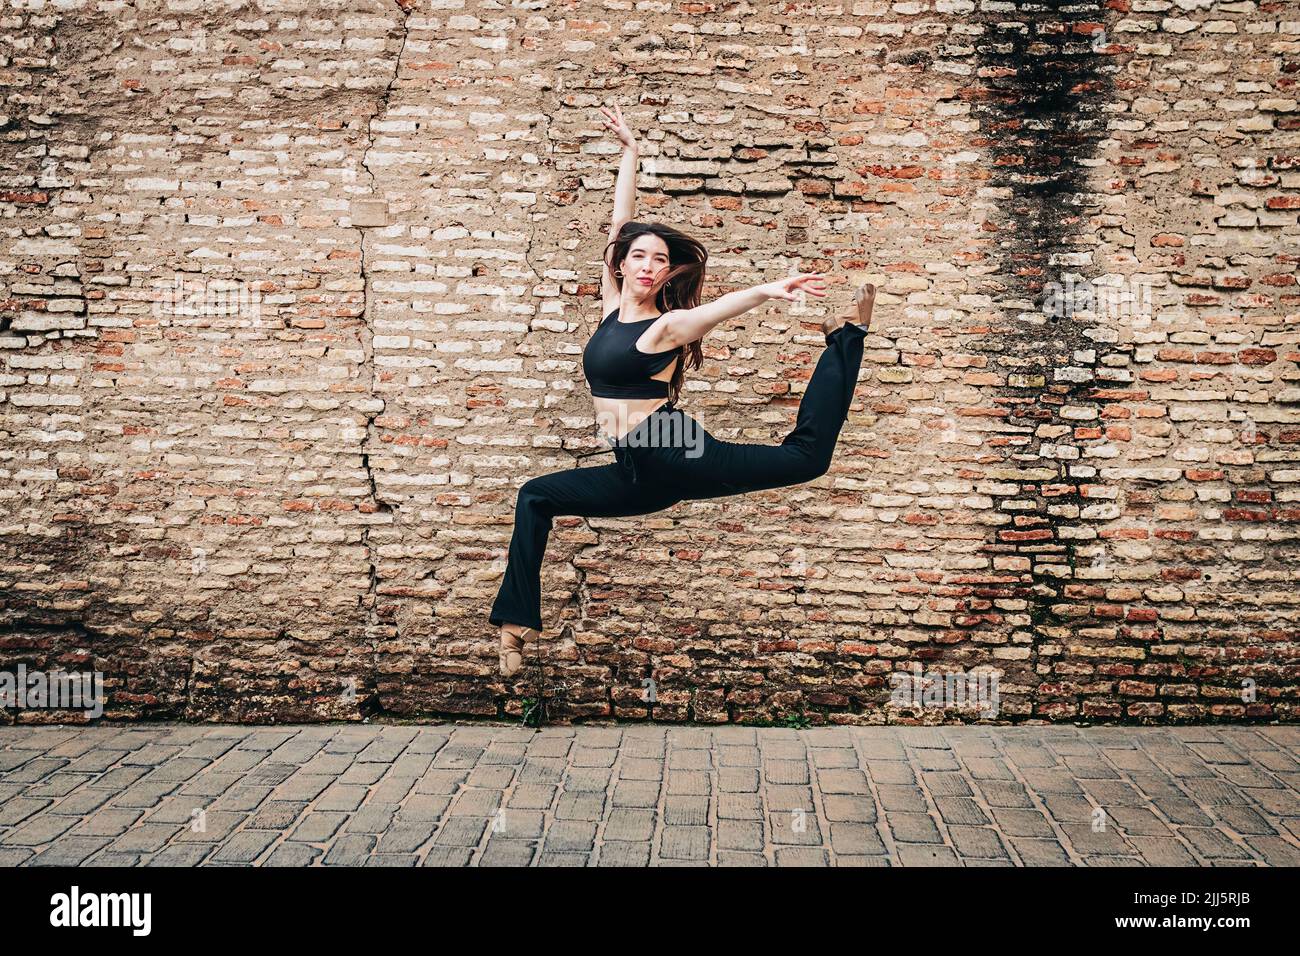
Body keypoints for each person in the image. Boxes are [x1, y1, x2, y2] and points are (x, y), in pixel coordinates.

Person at [489, 103, 876, 676]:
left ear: (668, 274)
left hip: (673, 444)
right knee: (535, 496)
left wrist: (767, 289)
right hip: (636, 472)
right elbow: (620, 226)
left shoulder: (665, 327)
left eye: (660, 261)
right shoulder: (612, 310)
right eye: (638, 257)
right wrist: (630, 154)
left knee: (806, 460)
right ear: (622, 266)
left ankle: (846, 339)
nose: (647, 265)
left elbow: (717, 310)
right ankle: (514, 630)